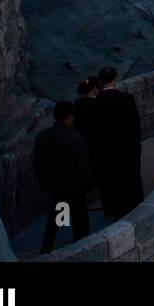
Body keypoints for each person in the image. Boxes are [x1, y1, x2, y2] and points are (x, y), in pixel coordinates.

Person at [33, 100, 91, 254]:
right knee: (80, 223)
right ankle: (81, 252)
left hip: (55, 188)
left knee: (56, 222)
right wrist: (86, 188)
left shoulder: (42, 136)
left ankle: (46, 251)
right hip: (75, 189)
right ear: (69, 118)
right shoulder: (76, 138)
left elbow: (38, 163)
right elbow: (83, 167)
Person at [90, 66, 144, 220]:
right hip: (127, 150)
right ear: (115, 79)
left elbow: (93, 131)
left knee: (110, 184)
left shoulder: (94, 103)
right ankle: (133, 209)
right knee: (129, 182)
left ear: (100, 82)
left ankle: (114, 211)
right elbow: (135, 126)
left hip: (105, 153)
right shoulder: (126, 99)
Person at [73, 76, 101, 190]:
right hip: (93, 140)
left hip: (82, 140)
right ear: (94, 89)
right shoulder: (95, 105)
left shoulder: (77, 104)